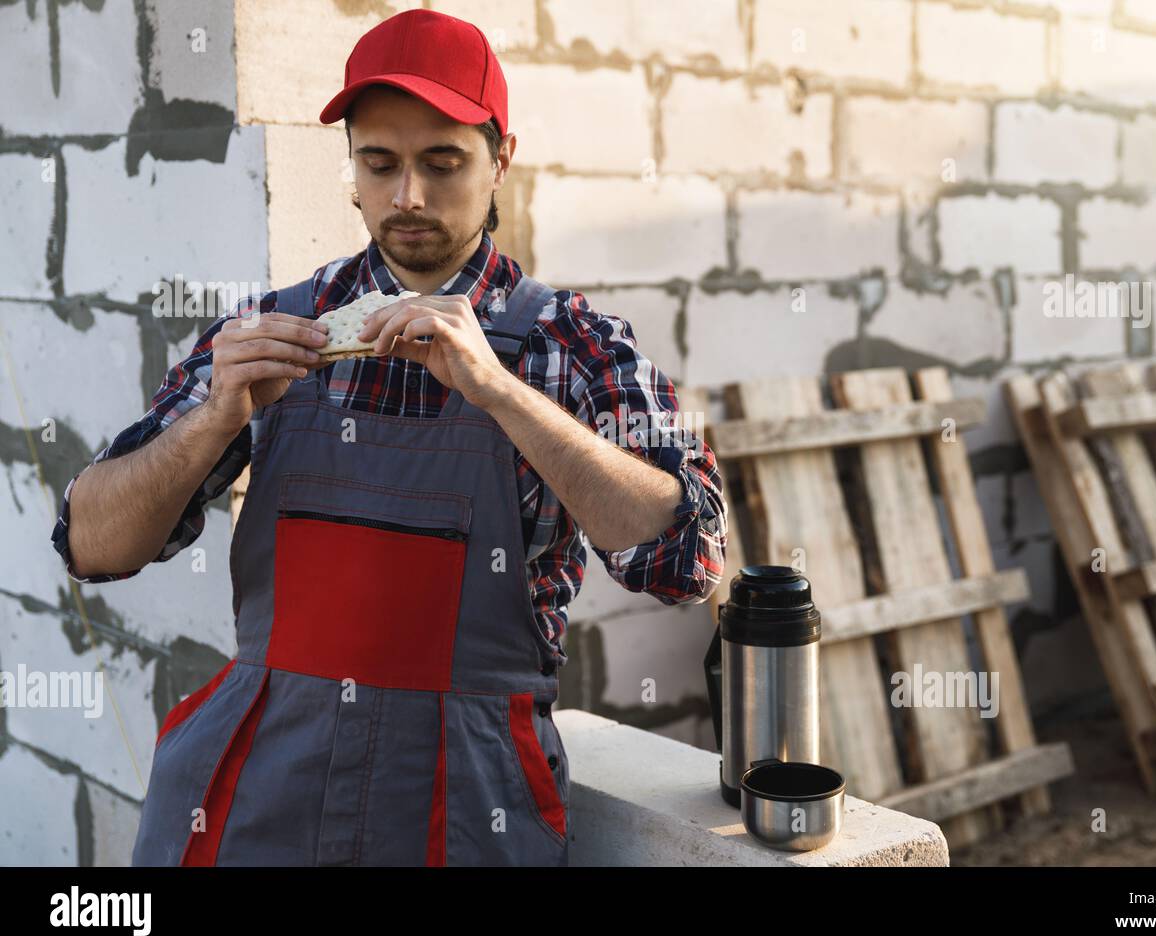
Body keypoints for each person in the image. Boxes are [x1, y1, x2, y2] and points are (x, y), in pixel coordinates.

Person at [50, 8, 726, 866]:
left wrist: (502, 394)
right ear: (355, 170)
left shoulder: (576, 346)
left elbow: (689, 561)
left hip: (467, 808)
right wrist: (216, 419)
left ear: (500, 161)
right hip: (256, 803)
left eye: (442, 163)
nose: (407, 196)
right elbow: (89, 544)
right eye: (380, 163)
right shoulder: (276, 329)